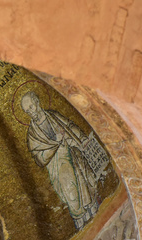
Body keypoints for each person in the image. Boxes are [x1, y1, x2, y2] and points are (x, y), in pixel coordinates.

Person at [21, 91, 100, 230]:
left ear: (37, 102)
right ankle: (83, 225)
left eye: (31, 107)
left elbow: (70, 127)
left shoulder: (53, 116)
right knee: (72, 195)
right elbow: (40, 159)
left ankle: (96, 215)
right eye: (27, 111)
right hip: (59, 169)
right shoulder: (32, 135)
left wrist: (82, 139)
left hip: (74, 158)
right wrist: (55, 145)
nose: (31, 113)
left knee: (86, 184)